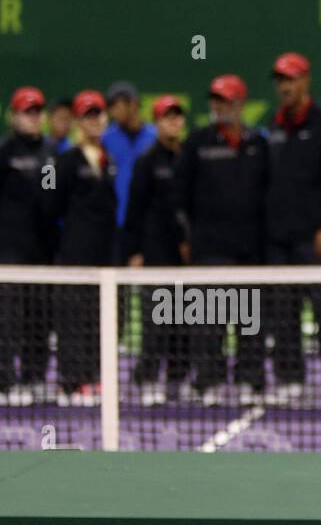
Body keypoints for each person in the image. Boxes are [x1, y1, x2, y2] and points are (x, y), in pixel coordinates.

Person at [175, 74, 269, 407]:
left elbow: (269, 195)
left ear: (241, 104)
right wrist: (187, 238)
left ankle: (250, 380)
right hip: (209, 248)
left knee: (250, 321)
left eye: (226, 101)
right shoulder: (197, 143)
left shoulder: (259, 144)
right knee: (208, 322)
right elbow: (180, 197)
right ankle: (209, 381)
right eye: (215, 100)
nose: (219, 107)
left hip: (249, 249)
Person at [263, 51, 321, 408]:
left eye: (292, 79)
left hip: (314, 238)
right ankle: (289, 379)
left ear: (306, 81)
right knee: (283, 312)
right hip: (279, 238)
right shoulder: (273, 126)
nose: (285, 86)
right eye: (281, 80)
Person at [48, 90, 117, 406]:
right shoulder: (65, 160)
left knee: (97, 318)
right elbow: (50, 206)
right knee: (72, 319)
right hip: (75, 255)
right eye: (88, 115)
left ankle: (92, 378)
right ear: (78, 121)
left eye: (99, 114)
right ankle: (70, 382)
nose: (95, 120)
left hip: (103, 258)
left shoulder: (108, 159)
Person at [123, 96, 187, 407]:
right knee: (156, 321)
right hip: (155, 254)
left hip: (185, 256)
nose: (173, 122)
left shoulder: (189, 157)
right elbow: (134, 210)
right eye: (167, 117)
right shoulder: (147, 161)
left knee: (184, 319)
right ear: (157, 122)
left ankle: (177, 380)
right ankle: (146, 378)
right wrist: (135, 251)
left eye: (177, 117)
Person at [0, 86, 57, 406]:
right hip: (8, 250)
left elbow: (50, 196)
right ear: (14, 116)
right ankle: (5, 382)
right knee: (7, 318)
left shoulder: (50, 154)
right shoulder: (5, 152)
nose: (34, 117)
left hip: (41, 250)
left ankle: (34, 378)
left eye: (37, 111)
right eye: (27, 111)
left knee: (39, 316)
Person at [102, 82, 157, 241]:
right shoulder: (106, 138)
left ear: (132, 104)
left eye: (116, 105)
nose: (112, 112)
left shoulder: (154, 137)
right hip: (116, 222)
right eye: (110, 107)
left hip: (149, 223)